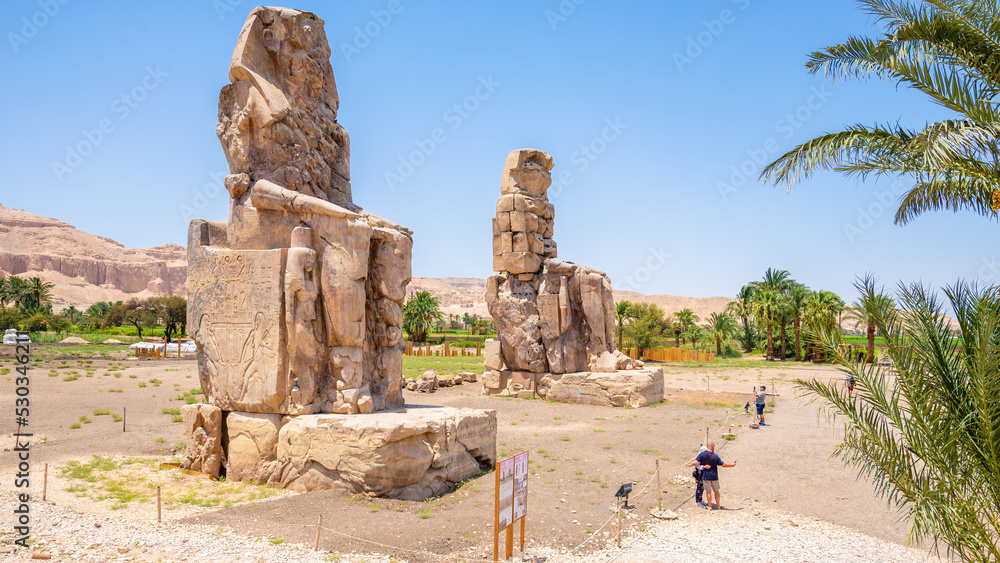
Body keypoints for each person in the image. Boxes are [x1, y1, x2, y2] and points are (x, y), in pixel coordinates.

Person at [696, 441, 736, 510]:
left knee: (708, 492)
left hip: (706, 476)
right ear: (712, 447)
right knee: (716, 491)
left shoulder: (701, 455)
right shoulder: (715, 456)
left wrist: (703, 467)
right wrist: (731, 465)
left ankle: (709, 506)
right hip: (714, 476)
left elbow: (695, 463)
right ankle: (718, 506)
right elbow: (723, 465)